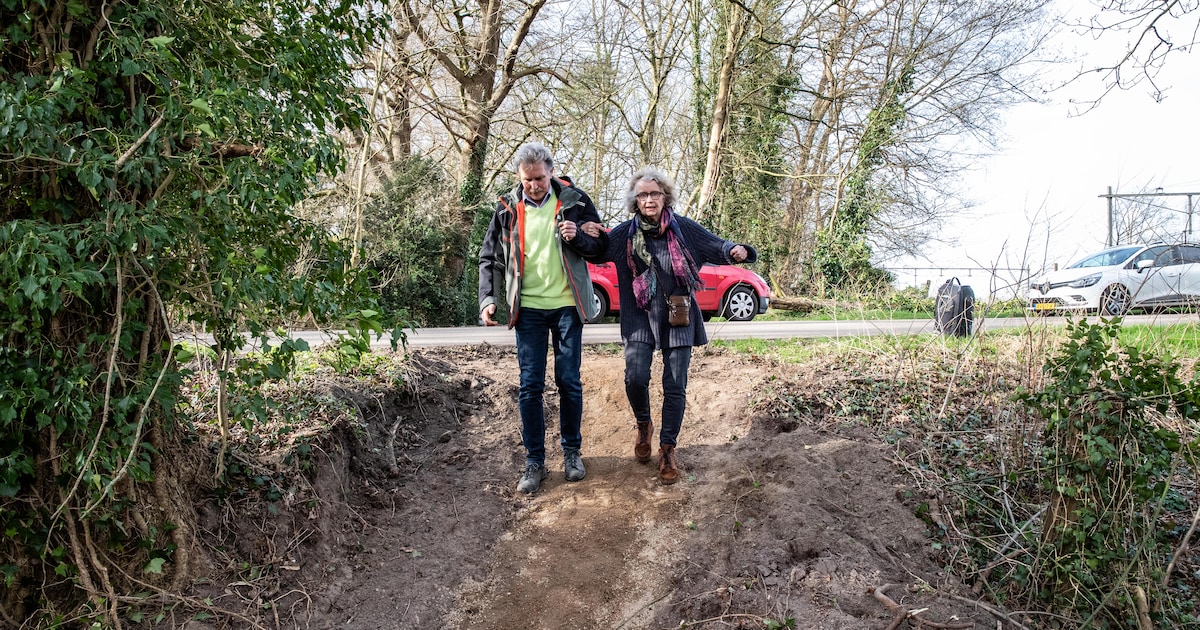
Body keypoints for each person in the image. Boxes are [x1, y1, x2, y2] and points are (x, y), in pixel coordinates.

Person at [581, 167, 756, 485]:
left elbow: (716, 246)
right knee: (635, 378)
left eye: (655, 193)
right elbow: (597, 251)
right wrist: (580, 233)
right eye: (643, 195)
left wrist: (736, 251)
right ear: (635, 200)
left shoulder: (683, 229)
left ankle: (667, 449)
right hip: (638, 317)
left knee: (675, 386)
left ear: (665, 197)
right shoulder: (625, 234)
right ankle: (644, 423)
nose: (649, 199)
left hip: (678, 317)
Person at [478, 142, 608, 494]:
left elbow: (601, 248)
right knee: (530, 386)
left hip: (568, 305)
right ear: (519, 177)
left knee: (569, 381)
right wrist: (488, 299)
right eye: (527, 179)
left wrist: (578, 236)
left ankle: (571, 453)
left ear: (551, 172)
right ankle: (534, 461)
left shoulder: (576, 202)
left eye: (539, 178)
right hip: (528, 309)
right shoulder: (507, 208)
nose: (533, 185)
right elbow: (489, 257)